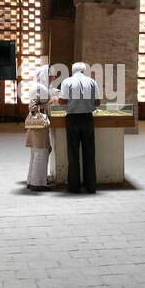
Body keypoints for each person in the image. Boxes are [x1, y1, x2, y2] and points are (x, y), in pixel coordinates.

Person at [58, 61, 100, 193]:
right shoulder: (92, 82)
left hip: (72, 119)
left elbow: (62, 101)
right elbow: (97, 102)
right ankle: (90, 185)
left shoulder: (67, 81)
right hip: (87, 119)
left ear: (72, 70)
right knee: (89, 153)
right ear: (84, 71)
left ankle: (74, 186)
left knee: (73, 154)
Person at [24, 65, 53, 191]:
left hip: (39, 126)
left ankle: (33, 181)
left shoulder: (41, 87)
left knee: (37, 153)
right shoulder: (38, 88)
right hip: (38, 126)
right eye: (50, 75)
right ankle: (38, 184)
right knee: (41, 153)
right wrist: (50, 102)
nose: (53, 78)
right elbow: (33, 108)